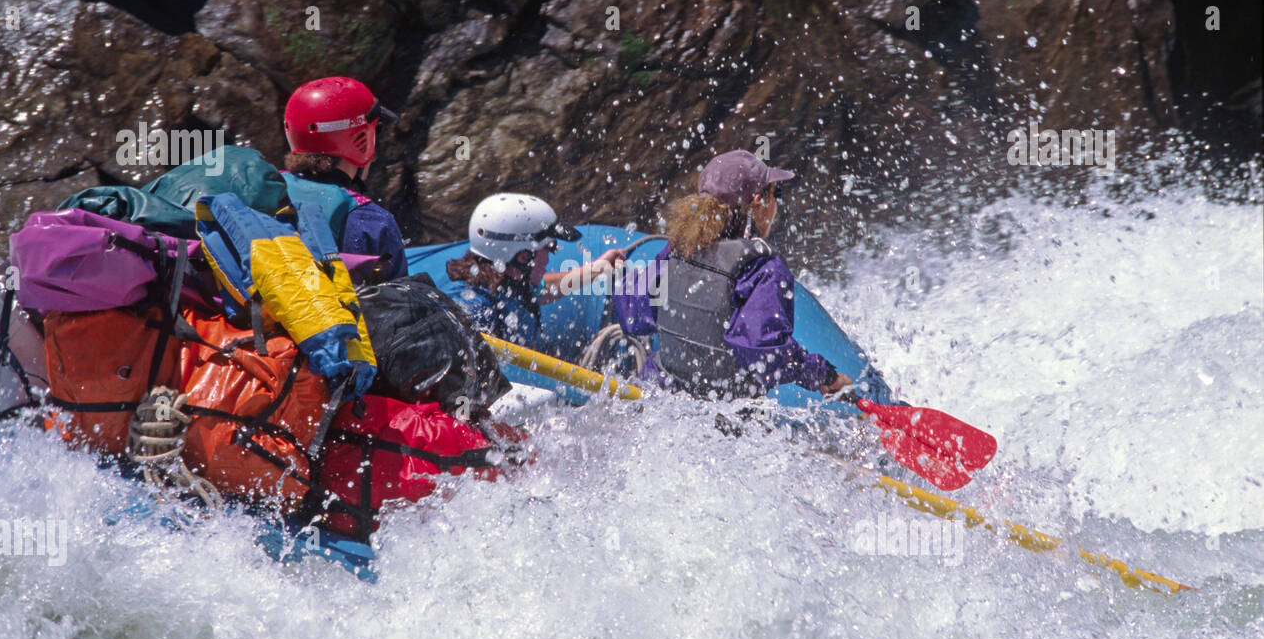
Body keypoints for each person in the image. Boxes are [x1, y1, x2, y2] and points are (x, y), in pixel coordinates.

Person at [615, 150, 854, 399]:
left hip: (658, 397)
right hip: (723, 415)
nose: (777, 205)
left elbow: (632, 313)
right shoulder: (763, 271)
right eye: (776, 194)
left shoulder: (677, 251)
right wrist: (823, 375)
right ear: (759, 203)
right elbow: (766, 355)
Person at [446, 193, 624, 349]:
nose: (551, 255)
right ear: (523, 256)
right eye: (550, 246)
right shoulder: (474, 310)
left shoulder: (508, 287)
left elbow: (545, 289)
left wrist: (597, 269)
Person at [280, 76, 408, 280]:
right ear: (361, 140)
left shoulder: (267, 189)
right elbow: (400, 306)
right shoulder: (373, 222)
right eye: (377, 131)